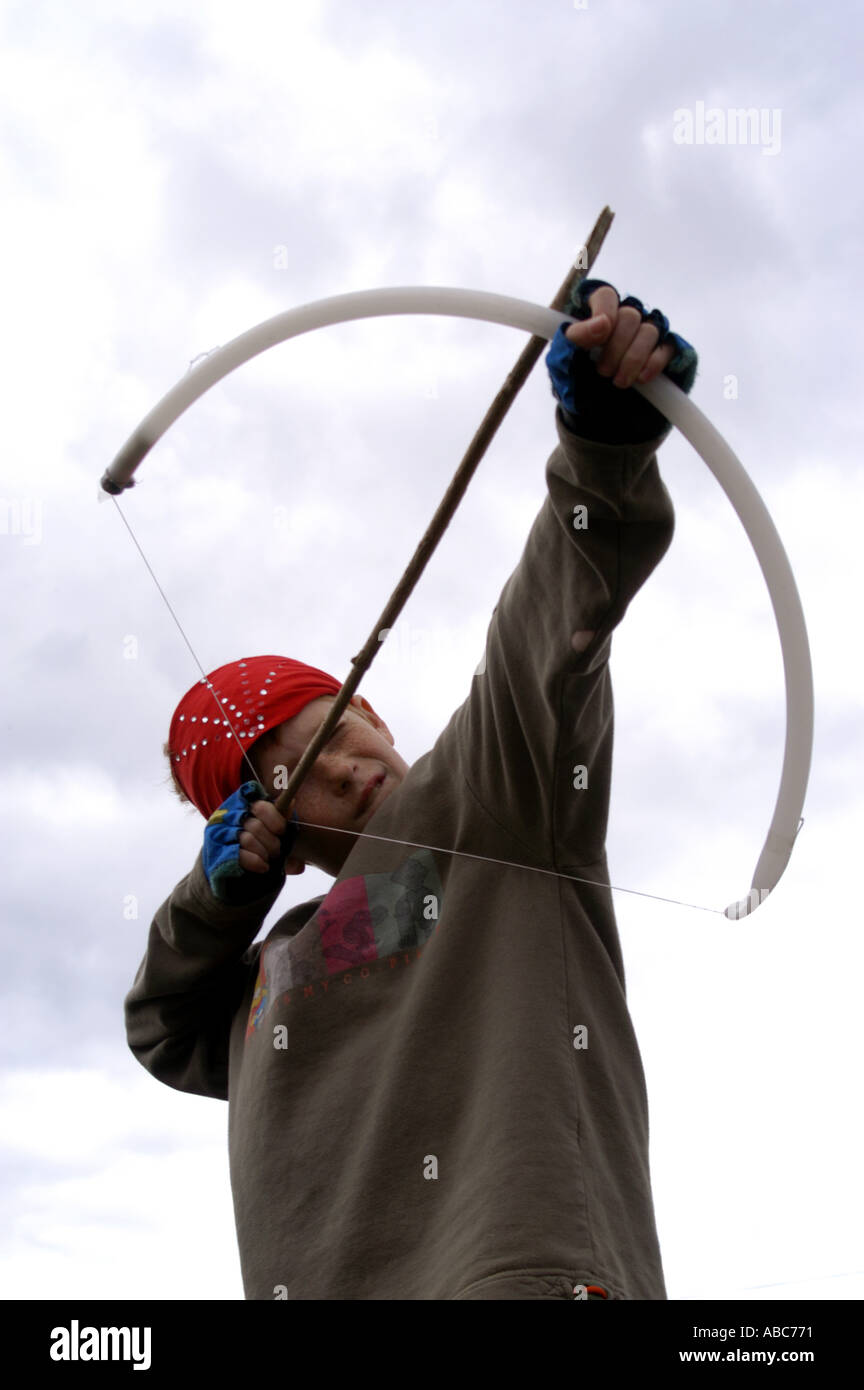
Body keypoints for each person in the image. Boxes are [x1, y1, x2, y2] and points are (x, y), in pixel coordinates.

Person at [125, 277, 698, 1300]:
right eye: (305, 778)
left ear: (378, 717)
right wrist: (218, 901)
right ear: (275, 833)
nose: (349, 768)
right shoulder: (263, 979)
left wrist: (601, 446)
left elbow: (549, 634)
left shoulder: (494, 793)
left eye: (342, 732)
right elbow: (162, 1030)